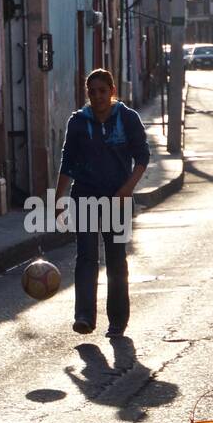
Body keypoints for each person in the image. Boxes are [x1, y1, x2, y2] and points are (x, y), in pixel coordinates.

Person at [54, 68, 149, 339]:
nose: (97, 97)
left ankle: (117, 321)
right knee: (86, 257)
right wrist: (58, 198)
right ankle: (84, 316)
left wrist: (126, 190)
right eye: (92, 92)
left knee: (116, 259)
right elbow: (68, 161)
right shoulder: (78, 122)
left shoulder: (128, 119)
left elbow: (142, 157)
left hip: (116, 200)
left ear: (112, 91)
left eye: (102, 91)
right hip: (84, 196)